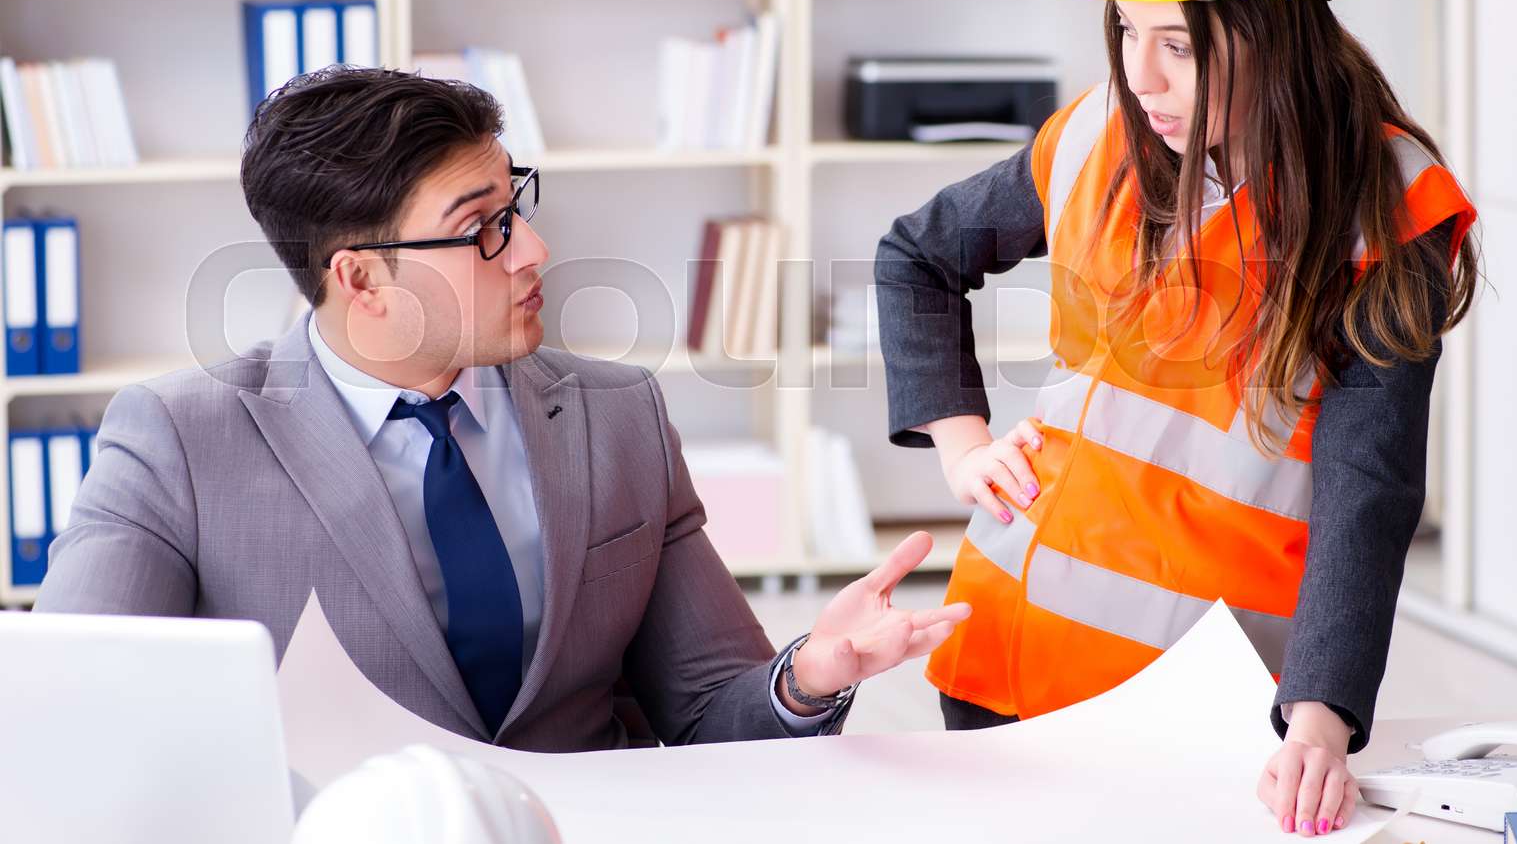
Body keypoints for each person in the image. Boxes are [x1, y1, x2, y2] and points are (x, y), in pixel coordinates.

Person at [37, 66, 970, 752]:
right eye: (481, 226)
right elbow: (76, 722)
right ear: (359, 277)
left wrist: (804, 680)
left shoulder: (618, 416)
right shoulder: (178, 442)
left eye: (514, 203)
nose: (532, 247)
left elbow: (706, 713)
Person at [874, 0, 1477, 838]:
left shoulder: (1386, 211)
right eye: (1122, 29)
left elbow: (1366, 487)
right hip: (1001, 656)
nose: (1139, 75)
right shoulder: (1095, 137)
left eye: (1178, 43)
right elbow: (915, 257)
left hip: (1198, 701)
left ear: (1278, 30)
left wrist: (1321, 715)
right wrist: (961, 441)